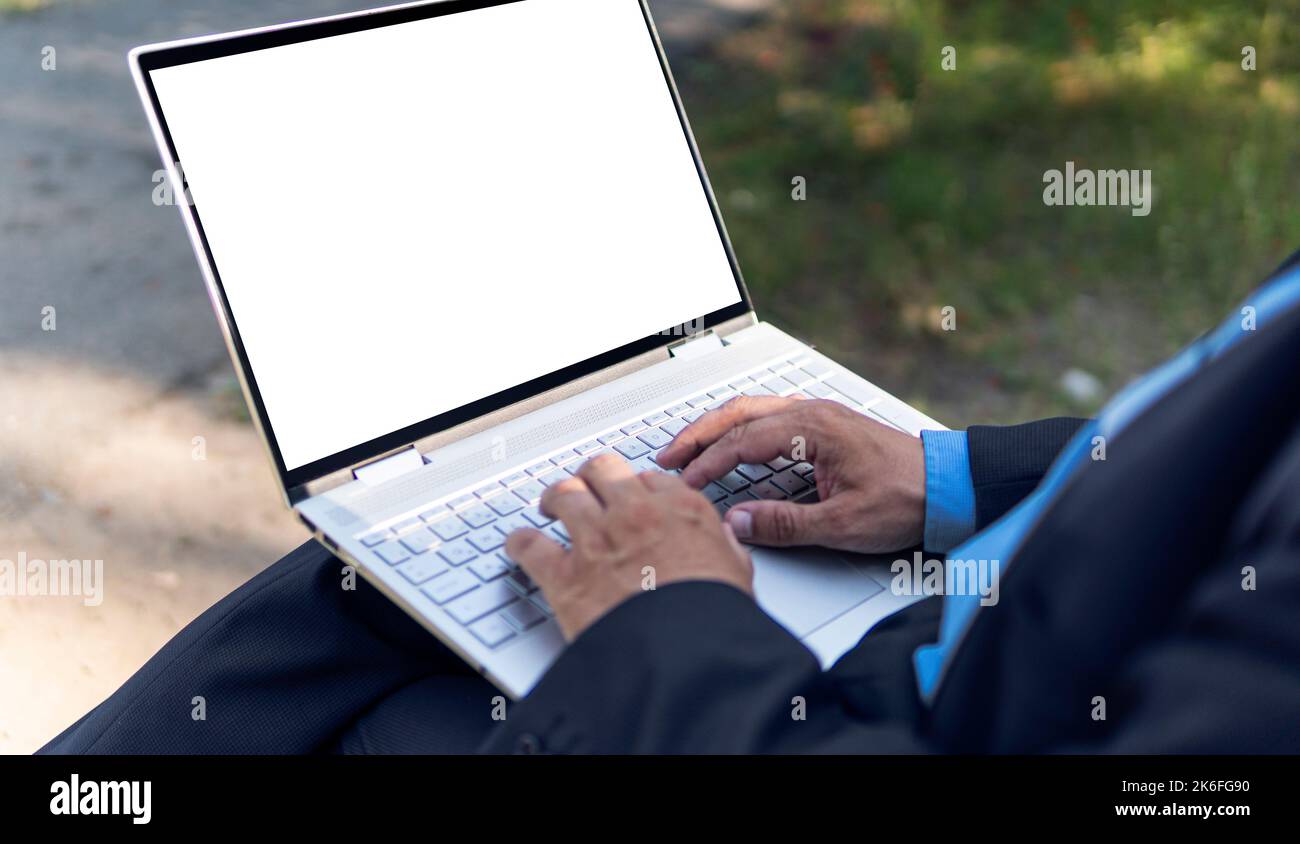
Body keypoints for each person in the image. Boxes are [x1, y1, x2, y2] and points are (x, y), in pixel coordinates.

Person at [41, 251, 1300, 754]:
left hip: (857, 713)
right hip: (944, 633)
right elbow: (1209, 460)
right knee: (380, 580)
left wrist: (678, 624)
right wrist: (954, 477)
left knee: (391, 687)